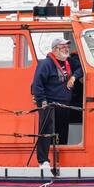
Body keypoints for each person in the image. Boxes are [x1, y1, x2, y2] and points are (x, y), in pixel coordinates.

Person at [31, 37, 82, 167]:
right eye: (63, 47)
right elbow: (37, 84)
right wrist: (42, 102)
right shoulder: (45, 64)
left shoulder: (69, 61)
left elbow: (81, 68)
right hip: (50, 104)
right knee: (46, 132)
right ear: (54, 50)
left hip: (65, 104)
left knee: (62, 131)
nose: (66, 49)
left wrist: (74, 77)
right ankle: (43, 161)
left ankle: (59, 158)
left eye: (67, 47)